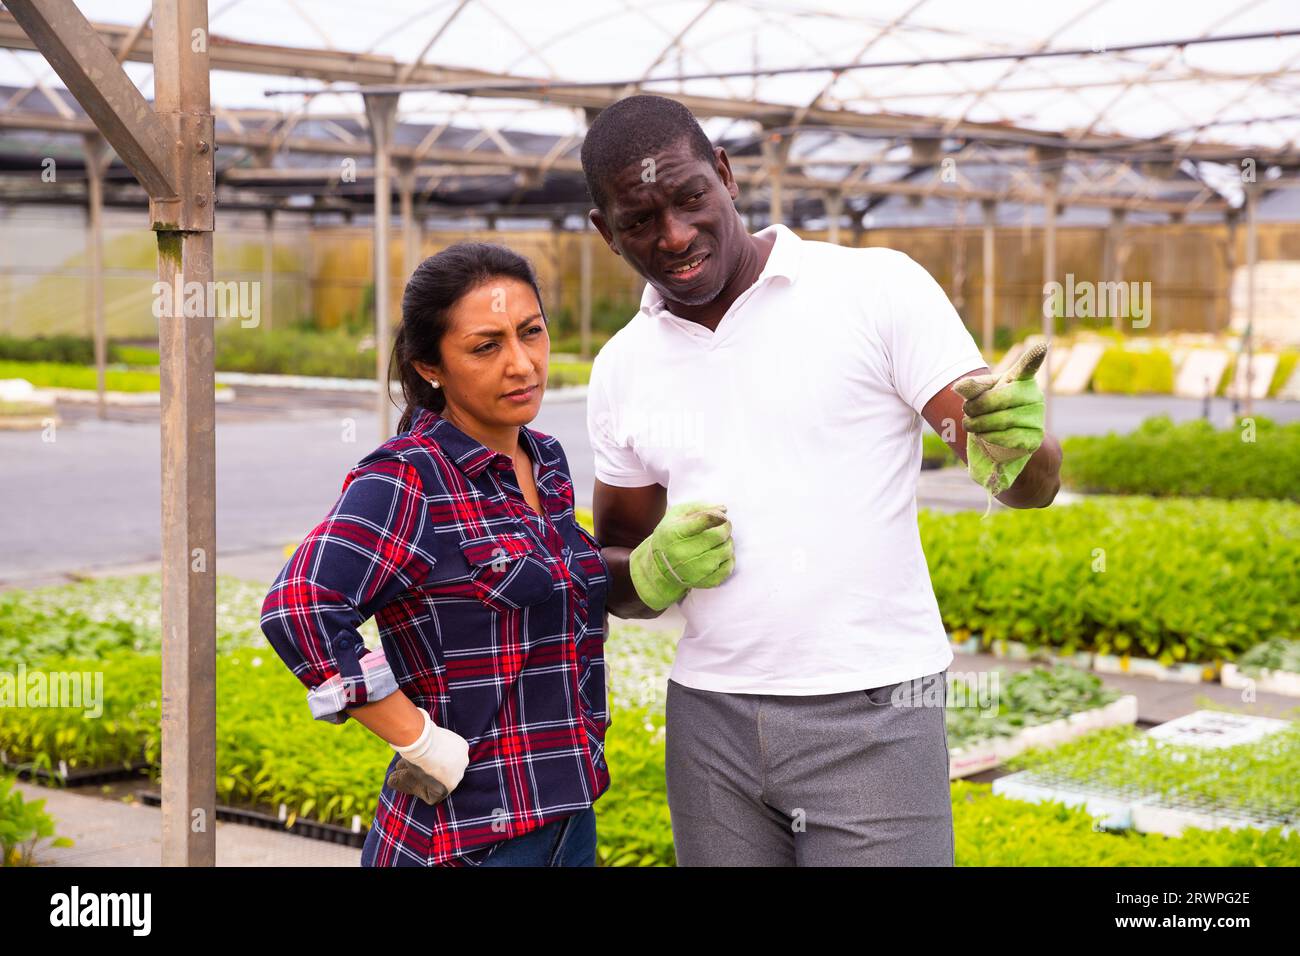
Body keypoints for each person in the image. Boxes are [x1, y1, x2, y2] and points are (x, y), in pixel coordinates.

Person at [579, 94, 1062, 866]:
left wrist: (1019, 446)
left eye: (690, 197)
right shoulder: (622, 367)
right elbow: (619, 571)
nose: (674, 235)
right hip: (711, 723)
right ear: (605, 232)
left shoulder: (874, 290)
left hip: (874, 710)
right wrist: (650, 568)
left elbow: (1021, 483)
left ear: (726, 174)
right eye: (639, 220)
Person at [260, 242, 610, 867]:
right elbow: (299, 609)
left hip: (569, 819)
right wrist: (420, 741)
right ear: (430, 367)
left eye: (532, 332)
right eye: (486, 346)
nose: (522, 363)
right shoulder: (410, 478)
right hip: (464, 839)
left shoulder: (545, 461)